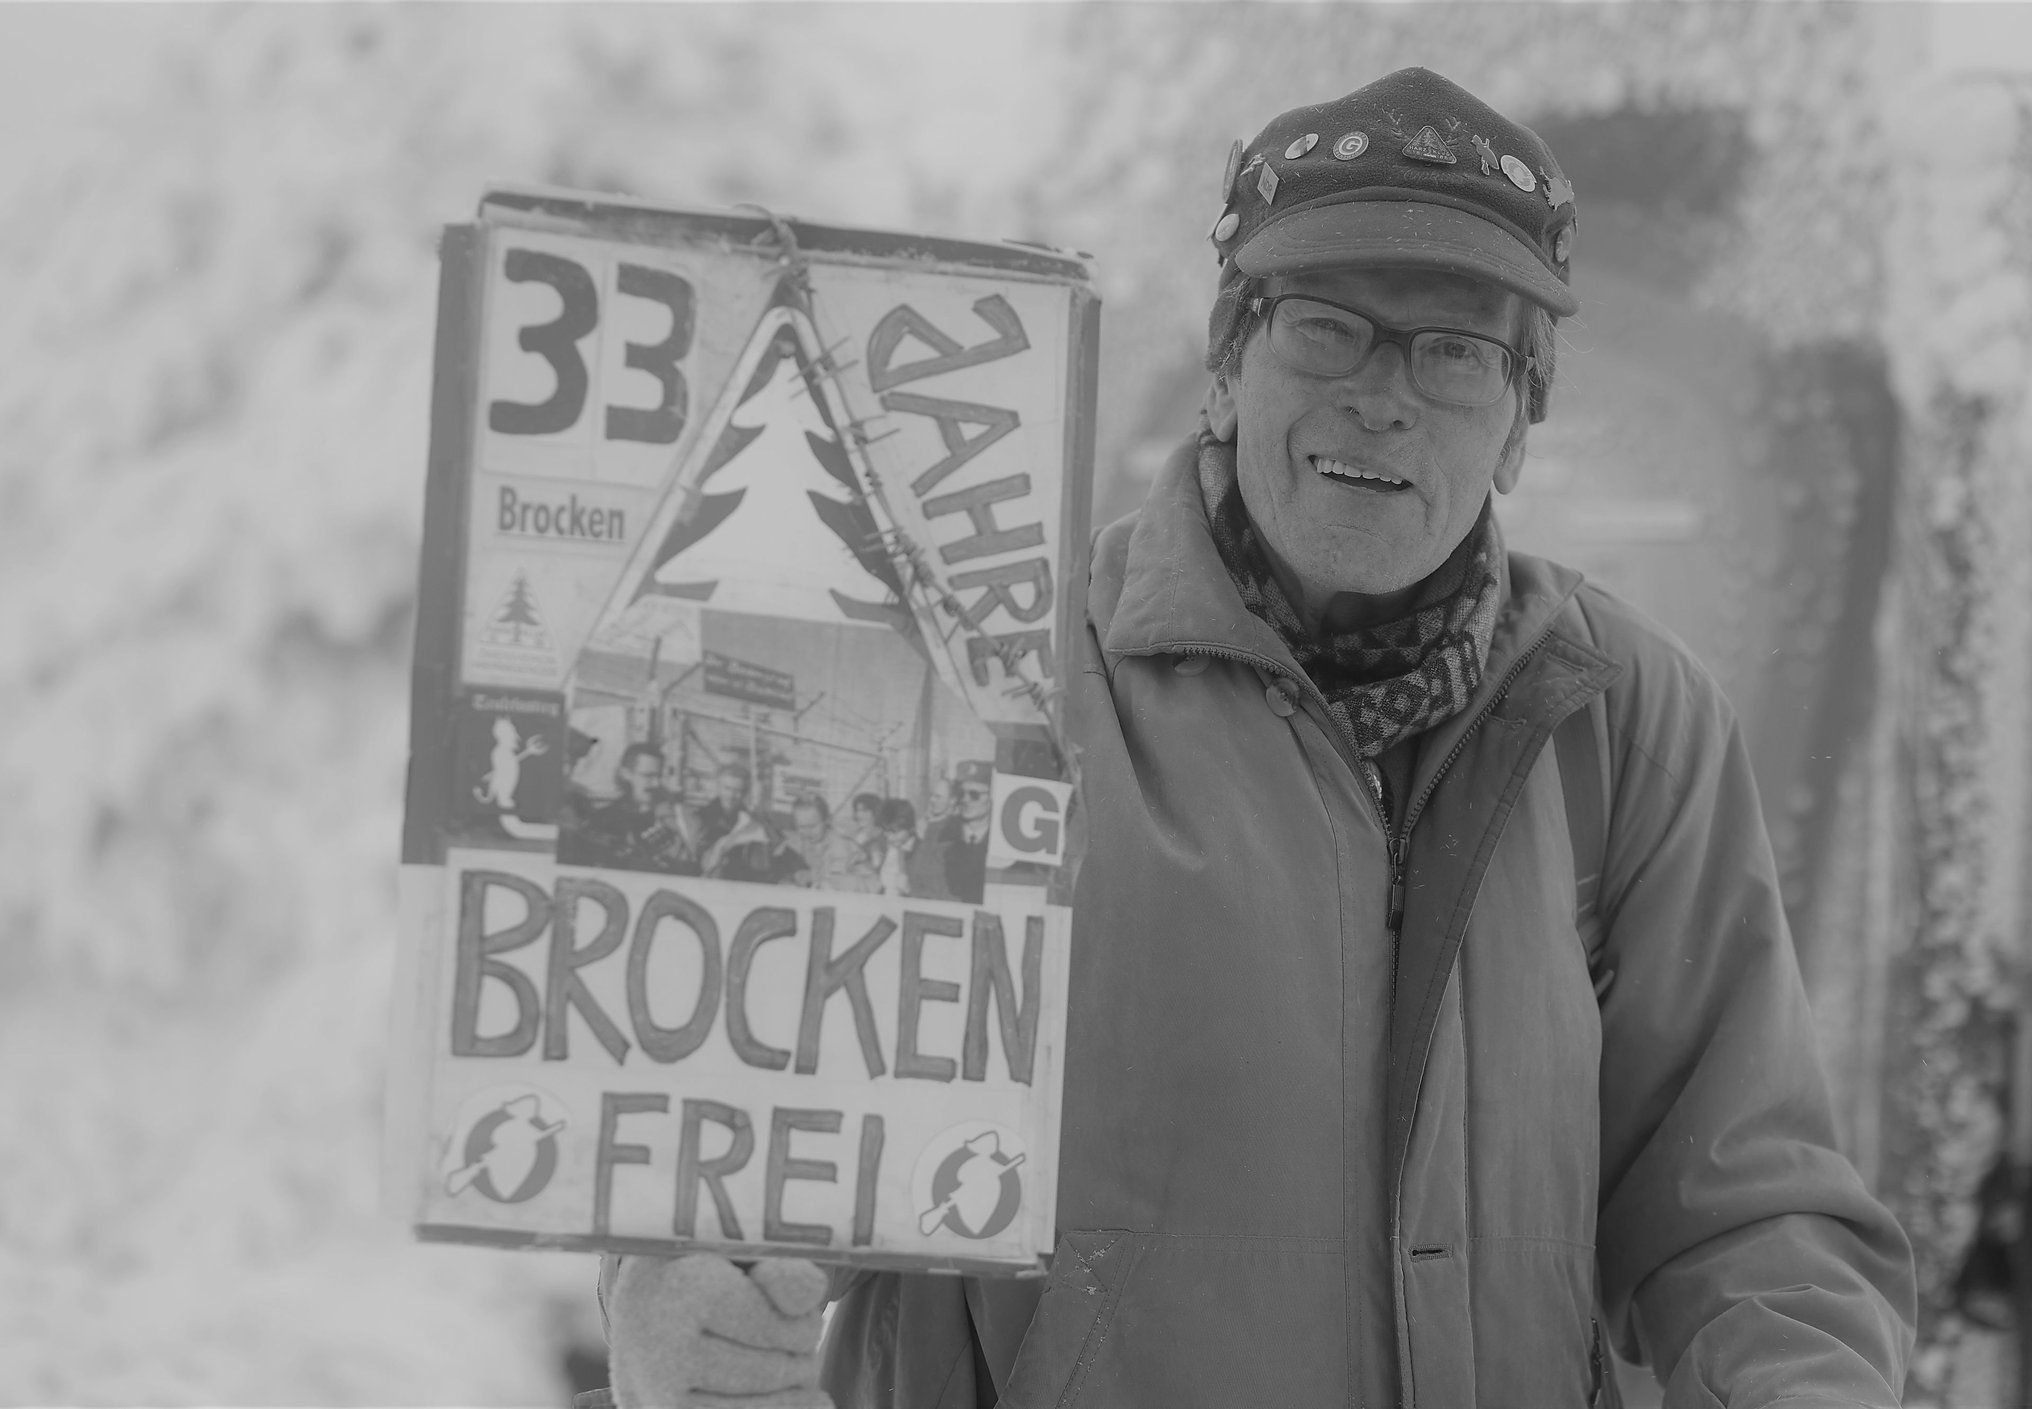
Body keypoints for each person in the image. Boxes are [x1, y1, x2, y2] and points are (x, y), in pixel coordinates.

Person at [598, 67, 1916, 1408]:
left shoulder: (1629, 718)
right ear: (1230, 358)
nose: (1384, 397)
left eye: (1457, 351)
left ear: (1521, 420)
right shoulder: (997, 681)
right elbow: (762, 1130)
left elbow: (1740, 1206)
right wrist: (685, 1291)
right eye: (1328, 327)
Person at [556, 741, 696, 876]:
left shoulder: (675, 817)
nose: (656, 783)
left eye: (659, 776)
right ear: (626, 774)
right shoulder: (602, 820)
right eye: (648, 776)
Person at [906, 760, 991, 905]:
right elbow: (917, 881)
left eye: (974, 795)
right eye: (962, 794)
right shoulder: (937, 831)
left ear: (992, 797)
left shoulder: (998, 841)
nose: (965, 800)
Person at [771, 793, 877, 893]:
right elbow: (785, 855)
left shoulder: (839, 845)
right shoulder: (801, 841)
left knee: (827, 885)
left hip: (864, 887)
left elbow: (834, 878)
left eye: (813, 826)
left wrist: (812, 876)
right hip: (831, 888)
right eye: (802, 827)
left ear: (827, 820)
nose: (808, 832)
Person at [691, 762, 774, 883]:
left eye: (737, 791)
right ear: (718, 787)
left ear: (745, 793)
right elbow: (695, 855)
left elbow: (763, 864)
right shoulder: (701, 818)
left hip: (739, 887)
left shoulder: (752, 824)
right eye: (727, 788)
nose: (731, 796)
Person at [874, 797, 919, 898]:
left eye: (895, 832)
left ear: (910, 828)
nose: (890, 837)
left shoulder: (922, 851)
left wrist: (909, 889)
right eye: (886, 831)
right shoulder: (880, 845)